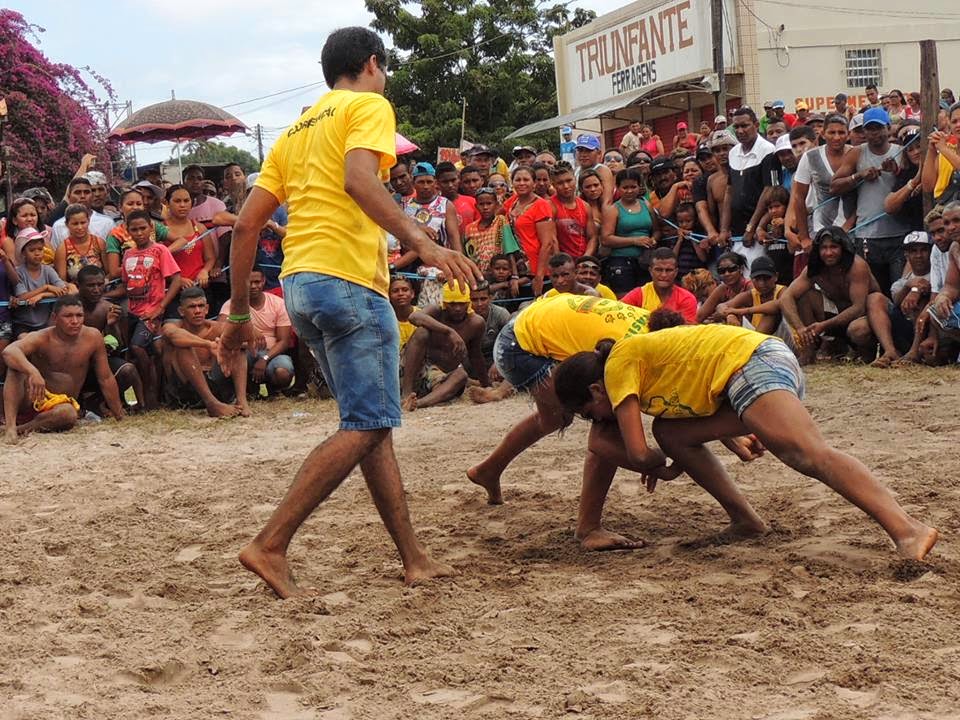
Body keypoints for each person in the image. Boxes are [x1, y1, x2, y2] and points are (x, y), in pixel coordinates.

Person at [220, 27, 477, 597]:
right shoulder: (368, 104)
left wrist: (239, 313)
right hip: (349, 285)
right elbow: (360, 180)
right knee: (367, 423)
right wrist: (425, 242)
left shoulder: (295, 130)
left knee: (370, 424)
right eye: (383, 69)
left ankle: (413, 556)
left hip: (301, 286)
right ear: (371, 63)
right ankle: (271, 544)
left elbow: (245, 225)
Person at [550, 324, 938, 561]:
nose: (597, 421)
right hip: (742, 372)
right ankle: (746, 521)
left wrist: (659, 467)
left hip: (751, 363)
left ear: (595, 389)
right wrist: (715, 441)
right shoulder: (636, 368)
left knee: (806, 454)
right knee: (672, 432)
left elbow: (637, 451)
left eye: (589, 412)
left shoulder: (618, 367)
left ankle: (906, 529)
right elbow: (689, 395)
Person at [466, 294, 651, 523]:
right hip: (520, 344)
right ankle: (588, 527)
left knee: (555, 419)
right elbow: (601, 440)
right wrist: (650, 462)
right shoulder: (630, 352)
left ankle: (488, 470)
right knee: (606, 419)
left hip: (536, 324)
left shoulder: (653, 331)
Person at [3, 295, 124, 442]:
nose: (75, 321)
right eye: (68, 316)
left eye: (79, 315)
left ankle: (20, 429)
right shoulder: (42, 337)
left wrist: (119, 415)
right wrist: (33, 372)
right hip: (31, 400)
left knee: (68, 414)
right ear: (55, 317)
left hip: (59, 408)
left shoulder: (93, 337)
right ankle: (10, 427)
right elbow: (9, 351)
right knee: (15, 367)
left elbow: (105, 377)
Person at [830, 108, 911, 295]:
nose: (874, 133)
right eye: (869, 128)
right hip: (867, 236)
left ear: (889, 128)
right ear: (863, 131)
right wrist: (859, 176)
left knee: (899, 292)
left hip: (899, 234)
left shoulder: (902, 151)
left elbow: (915, 182)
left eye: (879, 128)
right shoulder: (857, 153)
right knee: (872, 294)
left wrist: (897, 171)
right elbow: (834, 186)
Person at [779, 227, 880, 363]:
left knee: (858, 330)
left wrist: (824, 325)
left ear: (843, 248)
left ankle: (866, 353)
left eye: (834, 247)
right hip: (835, 316)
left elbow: (858, 308)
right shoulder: (814, 267)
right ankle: (810, 352)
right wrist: (800, 328)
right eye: (824, 248)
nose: (828, 253)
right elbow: (786, 297)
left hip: (867, 317)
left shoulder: (856, 266)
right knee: (803, 296)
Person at [120, 210, 182, 410]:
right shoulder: (128, 254)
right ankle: (143, 399)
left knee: (138, 347)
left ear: (151, 228)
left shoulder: (160, 250)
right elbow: (125, 285)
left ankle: (150, 391)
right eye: (134, 229)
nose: (139, 233)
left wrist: (160, 307)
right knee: (135, 352)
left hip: (152, 311)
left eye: (142, 228)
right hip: (132, 310)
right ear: (127, 231)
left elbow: (176, 280)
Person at [161, 287, 249, 416]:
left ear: (207, 309)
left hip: (215, 384)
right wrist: (208, 344)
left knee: (238, 349)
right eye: (192, 307)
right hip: (185, 389)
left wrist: (224, 345)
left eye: (201, 306)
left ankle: (242, 400)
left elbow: (246, 341)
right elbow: (174, 336)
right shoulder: (172, 326)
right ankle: (211, 404)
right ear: (181, 311)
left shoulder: (217, 328)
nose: (197, 311)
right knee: (183, 346)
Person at [400, 282, 488, 410]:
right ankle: (406, 395)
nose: (457, 308)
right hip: (412, 369)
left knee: (461, 375)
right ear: (445, 303)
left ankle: (418, 403)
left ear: (468, 303)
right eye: (452, 304)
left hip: (438, 376)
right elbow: (414, 316)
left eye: (461, 304)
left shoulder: (476, 323)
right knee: (422, 332)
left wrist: (486, 384)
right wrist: (448, 331)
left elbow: (476, 355)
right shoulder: (436, 311)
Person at [790, 114, 853, 278]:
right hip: (821, 230)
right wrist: (804, 237)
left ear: (848, 134)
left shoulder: (856, 153)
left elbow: (864, 196)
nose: (837, 137)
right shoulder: (810, 157)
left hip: (853, 229)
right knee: (823, 279)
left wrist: (849, 225)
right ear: (823, 134)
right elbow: (798, 197)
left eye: (841, 132)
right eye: (832, 132)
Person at [75, 265, 145, 410]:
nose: (96, 289)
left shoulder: (109, 308)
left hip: (100, 361)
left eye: (100, 285)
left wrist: (111, 325)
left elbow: (119, 347)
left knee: (128, 370)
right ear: (79, 286)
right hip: (73, 363)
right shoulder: (68, 307)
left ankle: (135, 406)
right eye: (91, 285)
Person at [219, 266, 295, 393]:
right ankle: (247, 389)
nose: (253, 286)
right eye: (249, 282)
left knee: (283, 372)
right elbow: (220, 329)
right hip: (243, 352)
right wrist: (248, 332)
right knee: (234, 358)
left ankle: (275, 391)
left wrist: (264, 359)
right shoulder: (232, 304)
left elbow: (284, 341)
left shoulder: (278, 303)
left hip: (272, 353)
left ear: (264, 281)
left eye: (257, 282)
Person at [863, 231, 933, 367]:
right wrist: (908, 286)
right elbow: (896, 301)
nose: (919, 255)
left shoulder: (937, 274)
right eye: (913, 251)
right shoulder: (902, 282)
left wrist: (917, 290)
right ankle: (890, 351)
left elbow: (929, 288)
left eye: (924, 250)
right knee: (874, 298)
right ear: (907, 255)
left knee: (921, 301)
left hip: (927, 329)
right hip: (902, 328)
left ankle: (914, 353)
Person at [721, 107, 775, 252]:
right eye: (736, 127)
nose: (740, 131)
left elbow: (770, 190)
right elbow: (729, 191)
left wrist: (751, 227)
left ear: (756, 125)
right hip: (737, 234)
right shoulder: (732, 153)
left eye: (744, 125)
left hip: (760, 233)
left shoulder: (769, 150)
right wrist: (724, 229)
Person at [601, 167, 659, 296]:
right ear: (618, 187)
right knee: (625, 299)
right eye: (625, 187)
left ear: (639, 187)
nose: (629, 191)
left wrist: (653, 239)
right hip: (621, 261)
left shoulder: (646, 205)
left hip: (645, 260)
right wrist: (634, 241)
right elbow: (606, 238)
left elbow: (656, 230)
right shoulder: (613, 209)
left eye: (633, 187)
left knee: (646, 297)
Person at [503, 165, 556, 296]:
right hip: (517, 270)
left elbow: (547, 244)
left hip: (537, 270)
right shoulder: (513, 202)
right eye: (518, 180)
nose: (521, 183)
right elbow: (496, 214)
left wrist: (539, 276)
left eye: (526, 180)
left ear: (534, 183)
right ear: (512, 182)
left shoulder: (541, 205)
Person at [12, 229, 71, 337]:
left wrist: (42, 295)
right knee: (24, 340)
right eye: (32, 250)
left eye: (40, 249)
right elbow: (22, 297)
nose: (37, 253)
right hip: (23, 323)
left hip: (46, 322)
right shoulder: (18, 272)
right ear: (23, 252)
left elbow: (64, 291)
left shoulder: (48, 270)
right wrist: (46, 288)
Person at [620, 248, 698, 323]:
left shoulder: (686, 298)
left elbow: (687, 331)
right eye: (658, 270)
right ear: (650, 271)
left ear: (676, 272)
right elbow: (618, 314)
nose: (664, 275)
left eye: (669, 270)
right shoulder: (639, 294)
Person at [715, 255, 785, 335]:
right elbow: (721, 307)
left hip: (786, 340)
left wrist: (740, 311)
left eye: (766, 278)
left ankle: (756, 343)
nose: (762, 283)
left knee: (770, 313)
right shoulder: (751, 294)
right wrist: (730, 315)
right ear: (752, 279)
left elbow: (776, 305)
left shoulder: (782, 291)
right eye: (757, 279)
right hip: (760, 337)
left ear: (776, 277)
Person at [50, 177, 115, 250]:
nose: (82, 196)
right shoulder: (58, 226)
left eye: (86, 192)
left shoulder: (107, 223)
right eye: (77, 192)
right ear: (69, 197)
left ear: (92, 196)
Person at [550, 162, 596, 258]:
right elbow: (552, 239)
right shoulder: (550, 206)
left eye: (569, 181)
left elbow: (592, 237)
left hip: (582, 258)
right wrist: (560, 263)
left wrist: (585, 258)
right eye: (560, 183)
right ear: (553, 185)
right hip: (561, 261)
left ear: (575, 179)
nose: (566, 186)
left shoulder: (585, 206)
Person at [463, 188, 513, 276]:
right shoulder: (469, 228)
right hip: (477, 275)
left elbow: (510, 249)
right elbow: (468, 254)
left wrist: (514, 276)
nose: (485, 207)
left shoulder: (501, 221)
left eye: (489, 203)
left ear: (496, 205)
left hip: (500, 275)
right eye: (481, 204)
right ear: (476, 206)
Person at [53, 204, 108, 283]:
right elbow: (62, 280)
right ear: (67, 224)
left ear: (88, 221)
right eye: (75, 224)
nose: (80, 227)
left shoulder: (99, 243)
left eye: (83, 223)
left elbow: (109, 272)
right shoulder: (63, 249)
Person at [697, 251, 752, 323]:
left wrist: (727, 315)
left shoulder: (750, 287)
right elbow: (699, 316)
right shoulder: (722, 289)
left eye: (732, 269)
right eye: (722, 271)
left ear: (741, 269)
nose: (727, 274)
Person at [574, 135, 614, 205]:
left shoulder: (602, 170)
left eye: (588, 151)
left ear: (599, 153)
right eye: (580, 150)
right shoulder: (575, 171)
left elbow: (606, 202)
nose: (583, 154)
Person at [436, 161, 478, 229]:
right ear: (437, 183)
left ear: (458, 179)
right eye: (445, 182)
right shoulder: (433, 206)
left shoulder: (472, 202)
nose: (450, 185)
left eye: (453, 180)